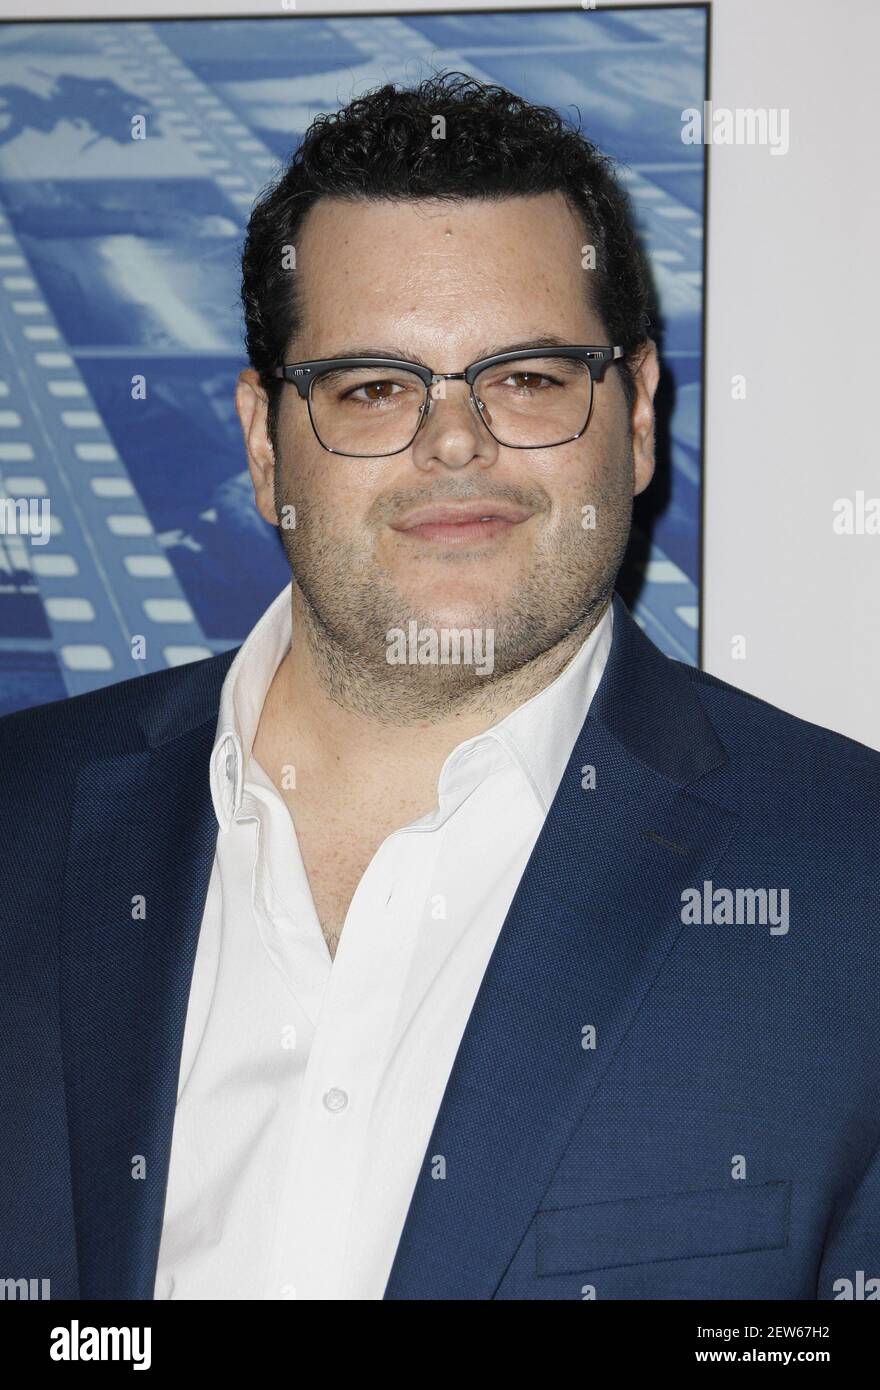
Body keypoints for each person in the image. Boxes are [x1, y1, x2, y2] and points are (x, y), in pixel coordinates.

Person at [1, 71, 877, 1302]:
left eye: (524, 376)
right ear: (264, 445)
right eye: (372, 386)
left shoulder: (853, 888)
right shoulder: (17, 824)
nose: (453, 442)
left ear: (634, 420)